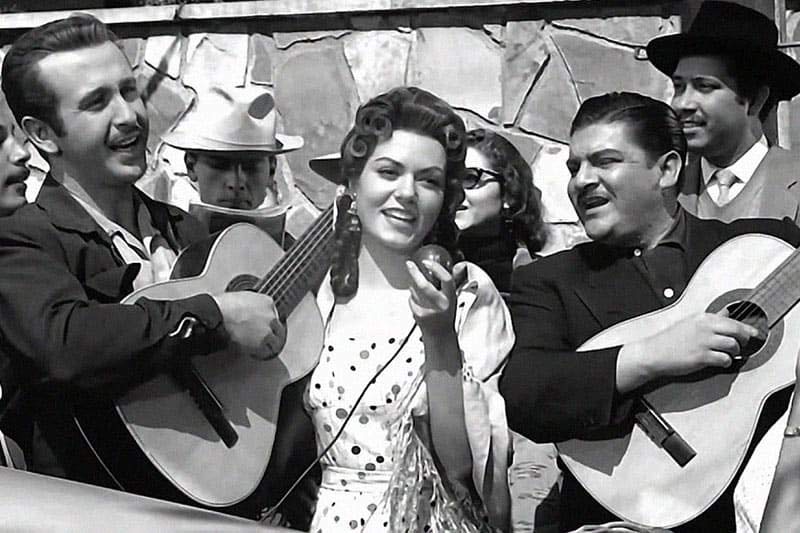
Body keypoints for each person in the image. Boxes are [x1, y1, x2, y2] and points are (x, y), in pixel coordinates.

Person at [0, 13, 285, 508]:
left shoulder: (186, 231)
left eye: (129, 91)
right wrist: (214, 316)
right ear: (44, 134)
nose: (128, 115)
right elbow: (66, 343)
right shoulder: (21, 241)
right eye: (97, 102)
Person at [500, 92, 800, 532]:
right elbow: (525, 394)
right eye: (574, 167)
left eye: (604, 161)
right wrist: (653, 355)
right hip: (612, 519)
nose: (581, 181)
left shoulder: (761, 250)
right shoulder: (550, 281)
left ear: (668, 169)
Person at [303, 86, 514, 532]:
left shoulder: (468, 292)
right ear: (352, 183)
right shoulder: (316, 295)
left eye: (429, 180)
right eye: (388, 171)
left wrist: (439, 336)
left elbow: (461, 467)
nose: (408, 193)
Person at [646, 0, 800, 224]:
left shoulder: (795, 181)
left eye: (704, 86)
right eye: (679, 87)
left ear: (755, 100)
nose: (682, 104)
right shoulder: (663, 186)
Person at [161, 86, 303, 243]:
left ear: (271, 170)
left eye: (251, 166)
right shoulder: (166, 246)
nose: (236, 183)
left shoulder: (289, 256)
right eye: (220, 165)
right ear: (191, 165)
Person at [456, 128, 546, 293]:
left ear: (509, 193)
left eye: (470, 178)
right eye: (451, 178)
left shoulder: (532, 279)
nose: (456, 192)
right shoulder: (424, 261)